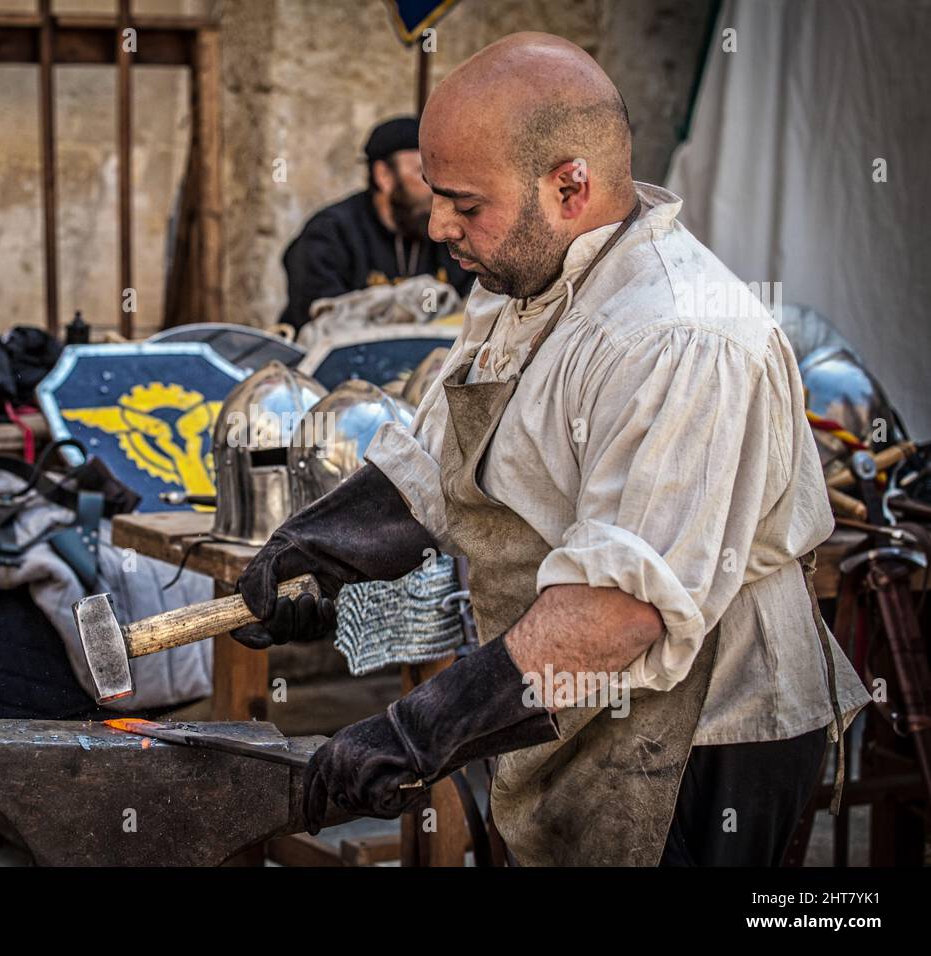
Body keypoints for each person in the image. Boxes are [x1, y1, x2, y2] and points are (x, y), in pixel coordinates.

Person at [233, 32, 871, 866]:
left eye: (464, 202)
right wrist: (323, 544)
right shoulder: (521, 279)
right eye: (435, 195)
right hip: (570, 695)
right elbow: (440, 455)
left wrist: (416, 731)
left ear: (570, 184)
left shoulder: (682, 336)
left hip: (699, 736)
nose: (438, 224)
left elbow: (617, 613)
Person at [277, 116, 472, 331]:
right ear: (384, 176)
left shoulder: (445, 232)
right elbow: (321, 321)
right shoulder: (329, 234)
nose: (435, 188)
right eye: (423, 174)